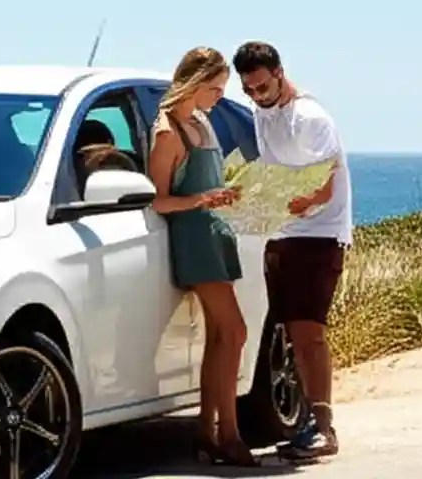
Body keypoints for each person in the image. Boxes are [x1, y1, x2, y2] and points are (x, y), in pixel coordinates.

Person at [232, 40, 351, 462]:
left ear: (280, 73)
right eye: (248, 90)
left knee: (308, 331)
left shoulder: (311, 117)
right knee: (286, 332)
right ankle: (306, 422)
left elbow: (324, 185)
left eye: (262, 87)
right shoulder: (264, 113)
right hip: (281, 233)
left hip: (318, 235)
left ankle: (323, 428)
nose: (256, 96)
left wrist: (293, 201)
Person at [146, 46, 257, 467]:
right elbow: (158, 201)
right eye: (214, 88)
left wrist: (222, 195)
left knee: (221, 336)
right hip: (193, 236)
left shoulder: (200, 121)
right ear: (194, 83)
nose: (218, 96)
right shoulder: (168, 132)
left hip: (213, 230)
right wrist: (202, 199)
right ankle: (226, 434)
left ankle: (209, 432)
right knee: (234, 332)